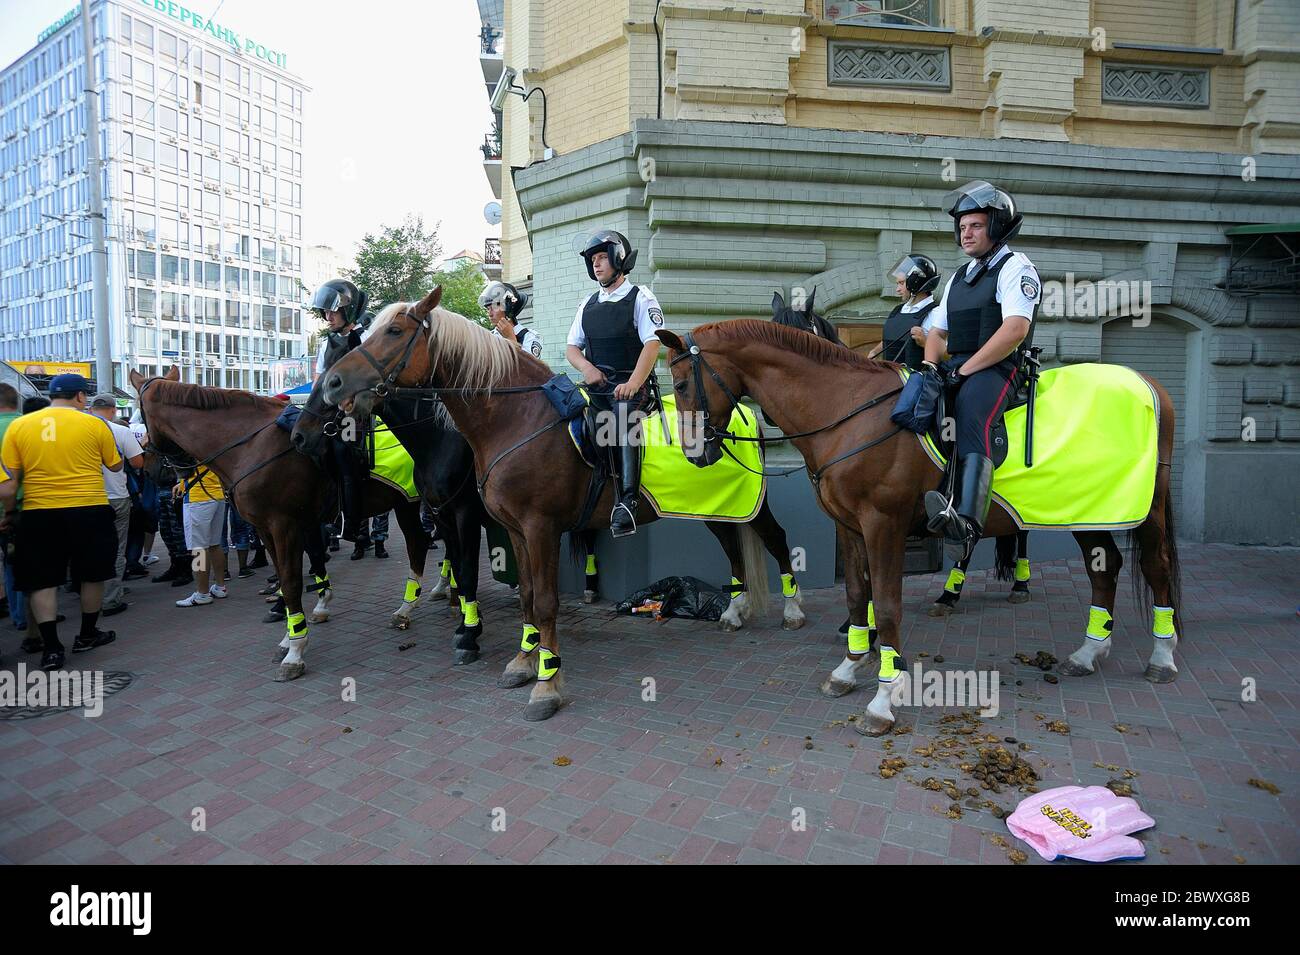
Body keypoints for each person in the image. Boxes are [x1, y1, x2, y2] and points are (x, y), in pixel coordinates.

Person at [922, 181, 1040, 561]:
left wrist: (965, 369)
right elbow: (937, 332)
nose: (965, 234)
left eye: (974, 225)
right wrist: (929, 367)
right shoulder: (960, 276)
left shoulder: (1015, 267)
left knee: (972, 410)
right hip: (957, 364)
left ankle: (967, 521)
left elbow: (1014, 330)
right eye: (961, 228)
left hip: (998, 367)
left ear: (997, 226)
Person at [0, 373, 123, 671]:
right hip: (88, 508)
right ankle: (87, 634)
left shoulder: (19, 426)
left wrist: (9, 514)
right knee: (91, 574)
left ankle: (52, 647)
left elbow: (8, 485)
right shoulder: (95, 423)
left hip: (38, 512)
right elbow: (116, 464)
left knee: (43, 580)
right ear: (80, 397)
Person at [565, 229, 664, 537]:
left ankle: (628, 501)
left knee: (621, 417)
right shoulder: (588, 303)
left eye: (601, 258)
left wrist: (634, 382)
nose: (596, 265)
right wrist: (586, 368)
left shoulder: (641, 297)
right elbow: (571, 348)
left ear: (618, 258)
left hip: (629, 388)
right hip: (597, 387)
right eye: (592, 260)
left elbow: (652, 344)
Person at [311, 278, 372, 552]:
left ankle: (352, 521)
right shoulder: (327, 343)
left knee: (345, 451)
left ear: (348, 311)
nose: (328, 316)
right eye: (325, 312)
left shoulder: (367, 338)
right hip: (331, 412)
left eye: (333, 311)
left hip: (357, 413)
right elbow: (318, 381)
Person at [89, 393, 145, 616]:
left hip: (86, 497)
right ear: (113, 410)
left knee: (89, 548)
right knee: (116, 548)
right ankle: (111, 599)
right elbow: (137, 462)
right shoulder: (121, 431)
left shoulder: (80, 429)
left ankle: (86, 591)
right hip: (116, 495)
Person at [868, 254, 941, 370]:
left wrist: (925, 342)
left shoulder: (936, 314)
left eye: (901, 283)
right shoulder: (899, 310)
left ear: (915, 282)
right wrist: (874, 353)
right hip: (891, 379)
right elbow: (892, 340)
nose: (897, 289)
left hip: (917, 382)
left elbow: (950, 356)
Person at [174, 462, 229, 607]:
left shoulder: (190, 439)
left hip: (198, 497)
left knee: (198, 549)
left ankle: (202, 593)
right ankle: (220, 587)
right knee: (214, 544)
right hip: (217, 493)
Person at [0, 384, 23, 631]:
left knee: (9, 564)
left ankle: (16, 614)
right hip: (27, 506)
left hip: (6, 510)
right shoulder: (26, 426)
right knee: (30, 565)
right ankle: (30, 623)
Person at [481, 281, 544, 358]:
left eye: (494, 307)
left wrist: (510, 338)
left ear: (509, 307)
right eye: (488, 309)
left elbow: (530, 368)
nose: (490, 314)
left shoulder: (529, 337)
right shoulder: (488, 337)